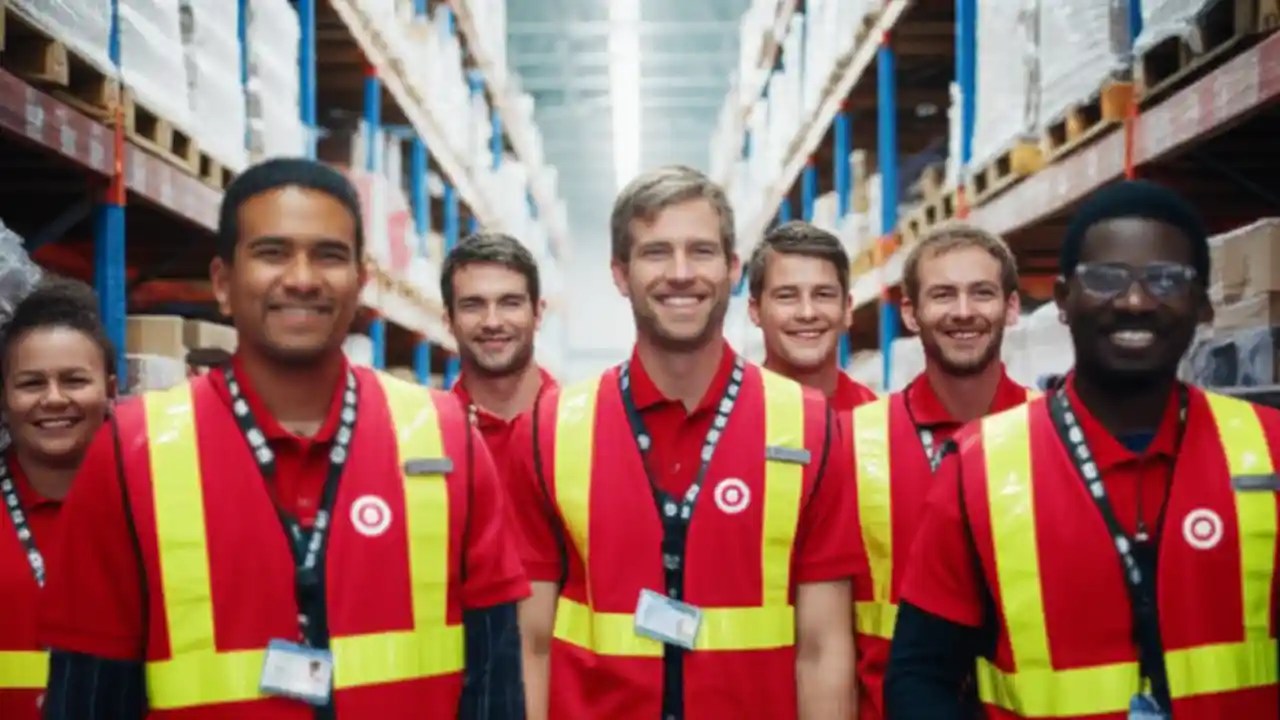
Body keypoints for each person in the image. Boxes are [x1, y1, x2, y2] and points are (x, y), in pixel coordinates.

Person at [37, 158, 530, 719]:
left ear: (361, 282)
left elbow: (495, 684)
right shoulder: (132, 452)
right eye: (272, 253)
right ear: (223, 282)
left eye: (329, 255)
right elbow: (90, 694)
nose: (301, 278)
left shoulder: (445, 439)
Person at [886, 180, 1280, 718]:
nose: (1136, 301)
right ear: (1064, 301)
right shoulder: (980, 468)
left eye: (1166, 279)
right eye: (1105, 279)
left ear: (1203, 306)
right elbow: (919, 677)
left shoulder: (1269, 451)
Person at [508, 165, 863, 720]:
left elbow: (823, 649)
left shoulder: (810, 428)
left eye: (701, 251)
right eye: (656, 253)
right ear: (620, 273)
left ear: (732, 269)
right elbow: (529, 645)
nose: (680, 273)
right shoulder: (547, 430)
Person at [849, 221, 1037, 719]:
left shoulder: (1055, 436)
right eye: (942, 295)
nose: (963, 311)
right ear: (910, 314)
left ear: (1012, 307)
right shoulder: (854, 441)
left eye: (982, 293)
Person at [0, 278, 115, 719]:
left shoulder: (153, 500)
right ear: (4, 398)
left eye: (74, 380)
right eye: (31, 383)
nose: (53, 399)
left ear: (110, 389)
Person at [442, 231, 557, 459]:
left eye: (510, 303)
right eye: (472, 305)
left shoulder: (580, 427)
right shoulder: (429, 433)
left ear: (538, 313)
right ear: (448, 320)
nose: (492, 322)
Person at [746, 220, 876, 411]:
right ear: (755, 310)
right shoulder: (727, 419)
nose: (807, 313)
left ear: (847, 309)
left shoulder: (874, 418)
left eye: (823, 295)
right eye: (787, 296)